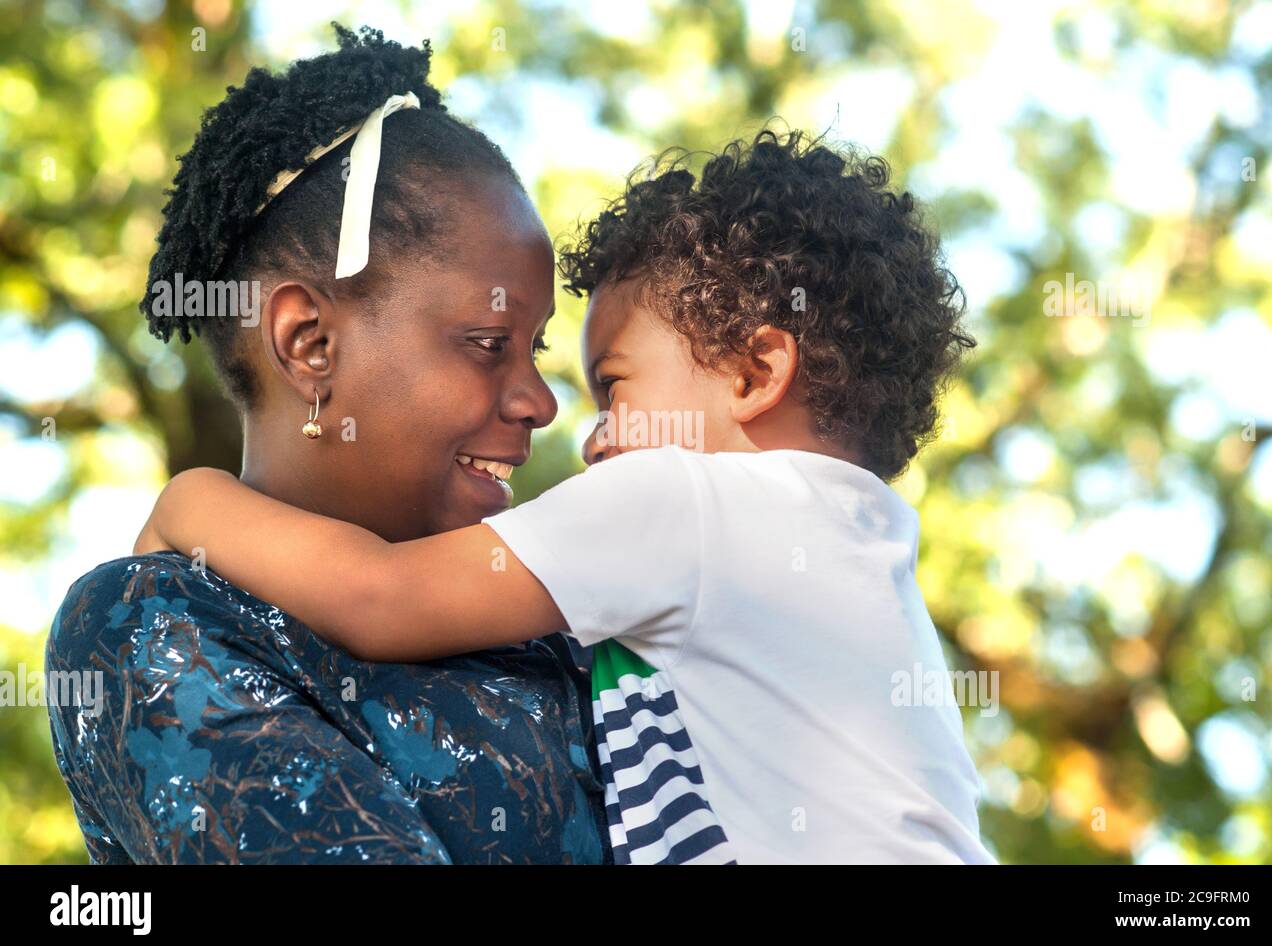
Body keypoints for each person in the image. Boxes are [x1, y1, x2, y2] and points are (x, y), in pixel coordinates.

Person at [137, 130, 997, 864]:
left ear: (753, 372)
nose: (580, 433)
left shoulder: (681, 501)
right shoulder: (851, 549)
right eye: (490, 343)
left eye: (613, 388)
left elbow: (382, 593)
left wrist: (192, 502)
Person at [45, 25, 607, 864]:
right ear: (309, 343)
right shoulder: (149, 619)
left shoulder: (562, 632)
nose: (542, 401)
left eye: (541, 349)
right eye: (491, 343)